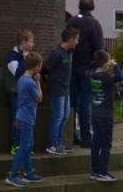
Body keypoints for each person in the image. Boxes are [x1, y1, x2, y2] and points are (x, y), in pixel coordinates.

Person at [5, 51, 44, 188]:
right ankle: (13, 175)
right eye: (41, 64)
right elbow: (39, 98)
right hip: (27, 118)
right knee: (23, 147)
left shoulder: (21, 79)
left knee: (27, 146)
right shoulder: (30, 82)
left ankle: (29, 172)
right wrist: (38, 82)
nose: (41, 67)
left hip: (22, 116)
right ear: (36, 66)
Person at [70, 0, 104, 148]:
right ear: (92, 7)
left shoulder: (71, 21)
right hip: (87, 68)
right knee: (85, 103)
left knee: (72, 103)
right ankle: (85, 137)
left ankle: (69, 134)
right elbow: (99, 48)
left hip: (71, 67)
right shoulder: (94, 24)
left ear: (79, 6)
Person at [87, 50, 123, 181]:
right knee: (106, 144)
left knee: (96, 143)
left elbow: (90, 67)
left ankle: (94, 170)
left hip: (95, 113)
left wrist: (98, 62)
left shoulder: (91, 74)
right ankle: (102, 171)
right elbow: (120, 77)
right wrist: (116, 65)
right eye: (108, 61)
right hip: (106, 114)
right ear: (104, 63)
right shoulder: (106, 77)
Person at [45, 26, 78, 155]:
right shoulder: (57, 53)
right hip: (57, 89)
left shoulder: (69, 52)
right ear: (70, 39)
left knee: (65, 116)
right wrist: (50, 82)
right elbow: (46, 69)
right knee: (57, 116)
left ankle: (59, 143)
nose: (77, 42)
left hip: (66, 89)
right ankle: (52, 144)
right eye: (76, 39)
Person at [5, 29, 35, 153]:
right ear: (23, 42)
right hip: (16, 92)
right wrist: (24, 60)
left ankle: (27, 145)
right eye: (31, 42)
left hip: (27, 93)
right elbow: (18, 73)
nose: (33, 44)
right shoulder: (12, 57)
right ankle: (16, 144)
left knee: (27, 119)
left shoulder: (28, 55)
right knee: (18, 118)